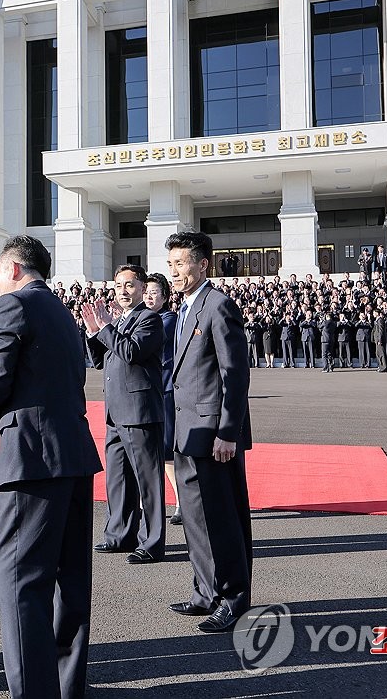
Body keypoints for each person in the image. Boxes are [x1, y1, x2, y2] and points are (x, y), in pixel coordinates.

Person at [0, 235, 103, 699]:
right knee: (70, 583)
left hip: (33, 459)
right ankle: (66, 686)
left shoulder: (12, 306)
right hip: (73, 454)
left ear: (12, 269)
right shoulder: (65, 314)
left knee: (22, 583)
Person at [164, 231, 253, 634]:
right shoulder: (184, 308)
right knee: (196, 520)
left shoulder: (218, 306)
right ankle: (205, 590)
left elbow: (234, 375)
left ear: (203, 265)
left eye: (181, 263)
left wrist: (228, 433)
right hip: (188, 431)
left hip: (215, 436)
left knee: (222, 520)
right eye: (171, 265)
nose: (175, 272)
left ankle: (233, 598)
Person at [83, 264, 166, 566]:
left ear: (143, 288)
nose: (123, 291)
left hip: (140, 412)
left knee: (147, 482)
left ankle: (153, 542)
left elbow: (131, 353)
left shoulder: (150, 319)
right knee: (118, 479)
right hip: (115, 412)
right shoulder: (118, 321)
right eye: (118, 286)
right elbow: (100, 361)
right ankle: (120, 534)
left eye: (129, 285)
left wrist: (105, 329)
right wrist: (94, 333)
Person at [143, 273, 181, 526]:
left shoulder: (167, 319)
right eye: (145, 291)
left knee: (168, 451)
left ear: (165, 296)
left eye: (154, 292)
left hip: (166, 391)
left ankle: (182, 502)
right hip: (151, 391)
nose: (148, 296)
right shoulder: (147, 318)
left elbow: (148, 344)